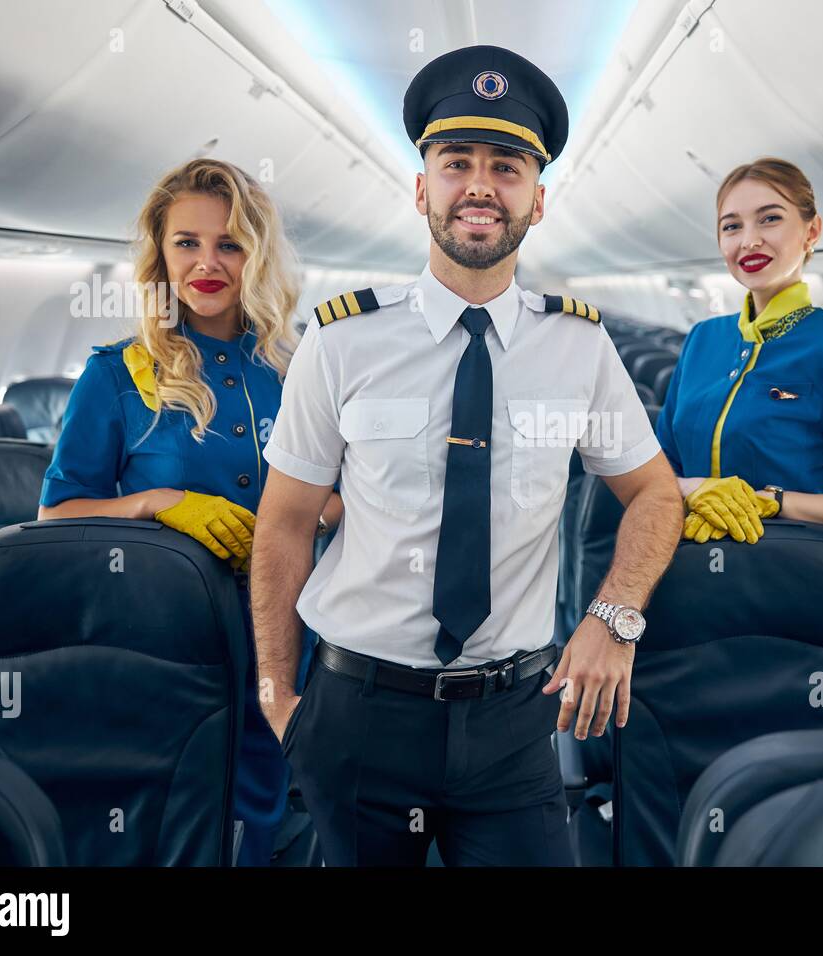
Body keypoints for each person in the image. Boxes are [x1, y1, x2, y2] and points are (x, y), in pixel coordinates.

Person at [250, 45, 683, 867]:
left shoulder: (580, 345)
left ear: (538, 199)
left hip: (514, 720)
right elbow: (284, 525)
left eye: (507, 166)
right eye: (457, 163)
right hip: (358, 710)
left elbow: (656, 494)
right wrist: (279, 695)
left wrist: (613, 618)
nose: (480, 185)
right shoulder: (341, 341)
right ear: (423, 189)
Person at [37, 158, 341, 865]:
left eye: (230, 244)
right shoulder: (118, 373)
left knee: (269, 829)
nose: (207, 262)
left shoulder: (298, 369)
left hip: (286, 644)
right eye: (187, 242)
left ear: (256, 255)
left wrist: (311, 515)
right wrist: (155, 502)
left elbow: (339, 500)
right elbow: (56, 517)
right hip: (162, 657)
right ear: (160, 253)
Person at [656, 157, 823, 548]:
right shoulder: (702, 339)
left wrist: (775, 503)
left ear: (811, 231)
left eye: (769, 219)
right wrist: (691, 488)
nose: (748, 240)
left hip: (775, 572)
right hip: (674, 563)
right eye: (732, 226)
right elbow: (656, 469)